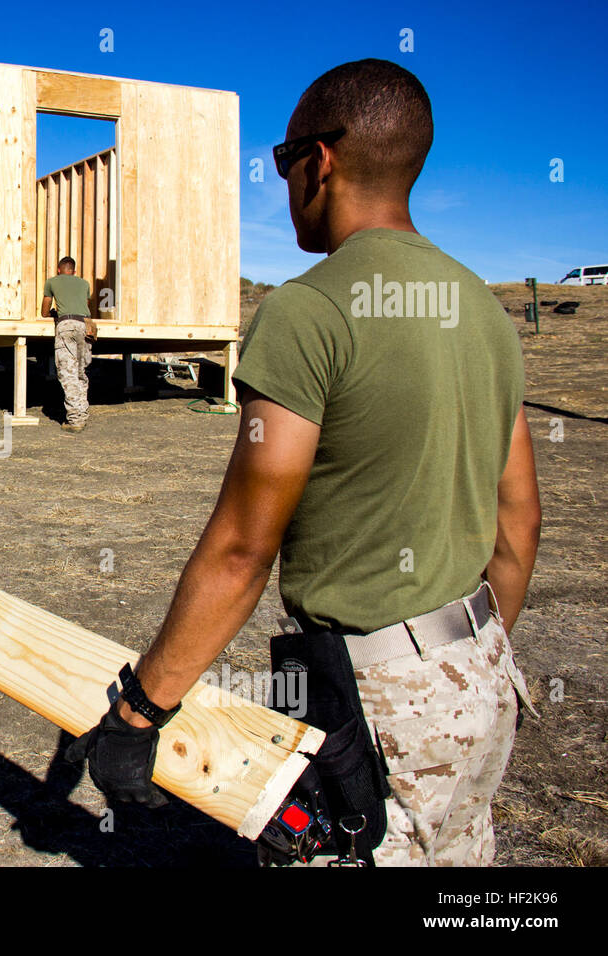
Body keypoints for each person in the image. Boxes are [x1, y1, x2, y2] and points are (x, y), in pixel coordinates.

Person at [66, 59, 541, 866]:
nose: (283, 181)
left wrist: (139, 712)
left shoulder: (308, 309)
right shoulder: (483, 310)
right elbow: (519, 521)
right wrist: (458, 660)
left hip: (378, 701)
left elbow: (243, 548)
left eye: (285, 161)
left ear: (319, 161)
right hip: (483, 673)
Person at [41, 256, 97, 432]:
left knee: (68, 373)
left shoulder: (51, 282)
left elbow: (45, 309)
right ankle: (82, 414)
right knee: (81, 372)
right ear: (74, 270)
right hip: (86, 326)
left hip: (66, 325)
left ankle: (75, 420)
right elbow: (86, 306)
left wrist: (51, 314)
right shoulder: (84, 284)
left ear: (59, 270)